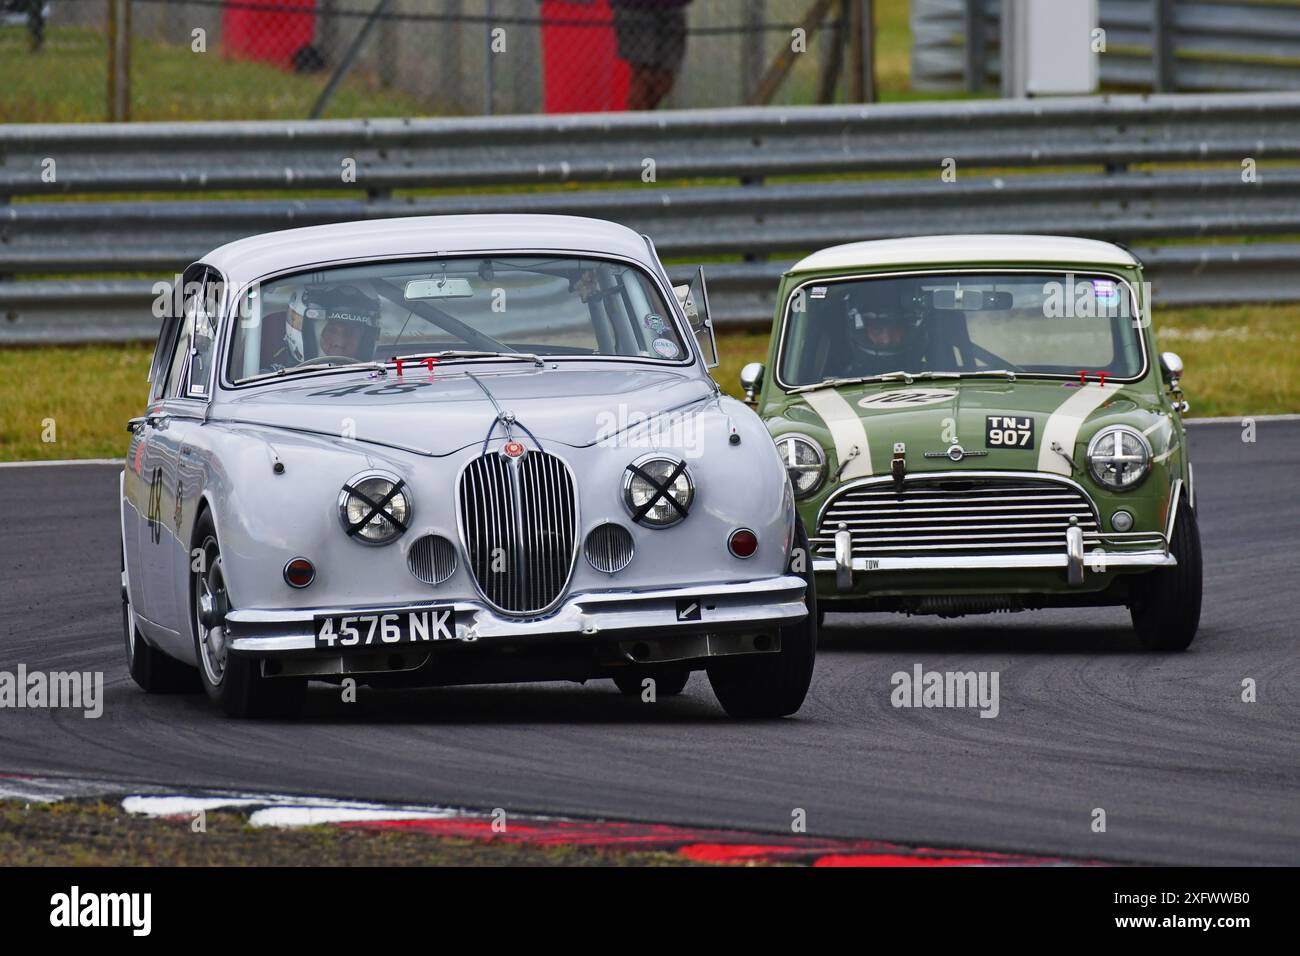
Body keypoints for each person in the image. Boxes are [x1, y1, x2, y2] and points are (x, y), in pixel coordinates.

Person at [267, 284, 382, 370]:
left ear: (366, 339)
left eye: (350, 332)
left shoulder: (384, 375)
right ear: (306, 333)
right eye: (331, 330)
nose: (340, 342)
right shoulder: (270, 385)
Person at [609, 0, 692, 110]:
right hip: (634, 9)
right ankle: (637, 123)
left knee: (664, 81)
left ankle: (646, 120)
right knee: (643, 76)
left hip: (672, 8)